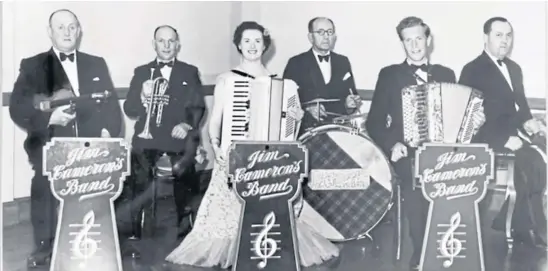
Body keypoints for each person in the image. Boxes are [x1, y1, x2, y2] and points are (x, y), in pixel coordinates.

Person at [165, 21, 339, 269]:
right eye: (247, 40)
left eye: (258, 40)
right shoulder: (227, 80)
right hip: (236, 156)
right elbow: (216, 120)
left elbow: (290, 130)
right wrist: (216, 147)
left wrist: (295, 118)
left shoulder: (283, 84)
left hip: (269, 160)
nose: (253, 46)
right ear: (238, 44)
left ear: (265, 45)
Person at [8, 9, 122, 268]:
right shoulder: (33, 65)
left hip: (91, 152)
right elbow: (18, 108)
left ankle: (95, 248)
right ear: (50, 32)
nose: (68, 32)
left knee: (97, 200)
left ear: (79, 31)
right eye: (61, 27)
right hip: (50, 148)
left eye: (72, 27)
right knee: (43, 193)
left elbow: (112, 106)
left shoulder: (96, 63)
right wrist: (50, 119)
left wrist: (107, 133)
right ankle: (44, 248)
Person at [365, 16, 459, 271]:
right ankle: (423, 252)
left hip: (441, 153)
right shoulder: (389, 75)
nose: (415, 45)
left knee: (461, 181)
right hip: (406, 154)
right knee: (417, 187)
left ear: (428, 40)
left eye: (419, 38)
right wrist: (392, 144)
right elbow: (373, 122)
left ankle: (451, 249)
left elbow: (456, 115)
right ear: (402, 43)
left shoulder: (446, 73)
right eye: (408, 40)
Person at [458, 17, 547, 250]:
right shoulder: (472, 70)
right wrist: (503, 140)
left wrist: (530, 123)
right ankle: (532, 228)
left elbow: (521, 106)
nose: (504, 40)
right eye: (498, 35)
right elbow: (468, 119)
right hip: (488, 139)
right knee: (532, 161)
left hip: (516, 135)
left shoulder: (514, 69)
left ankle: (517, 221)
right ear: (485, 37)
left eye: (508, 35)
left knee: (542, 151)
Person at [118, 25, 206, 258]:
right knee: (139, 187)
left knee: (184, 188)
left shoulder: (189, 71)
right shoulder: (141, 71)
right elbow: (130, 109)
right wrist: (141, 96)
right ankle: (136, 238)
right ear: (154, 44)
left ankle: (180, 235)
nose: (166, 46)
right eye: (161, 41)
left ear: (177, 44)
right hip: (148, 139)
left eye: (171, 41)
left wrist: (187, 124)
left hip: (178, 139)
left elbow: (198, 106)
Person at [283, 17, 361, 134]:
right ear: (310, 37)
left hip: (338, 130)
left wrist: (350, 104)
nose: (326, 37)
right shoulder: (295, 63)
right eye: (320, 32)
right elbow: (286, 104)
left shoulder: (343, 61)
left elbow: (351, 96)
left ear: (334, 36)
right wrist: (307, 110)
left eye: (329, 32)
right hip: (307, 131)